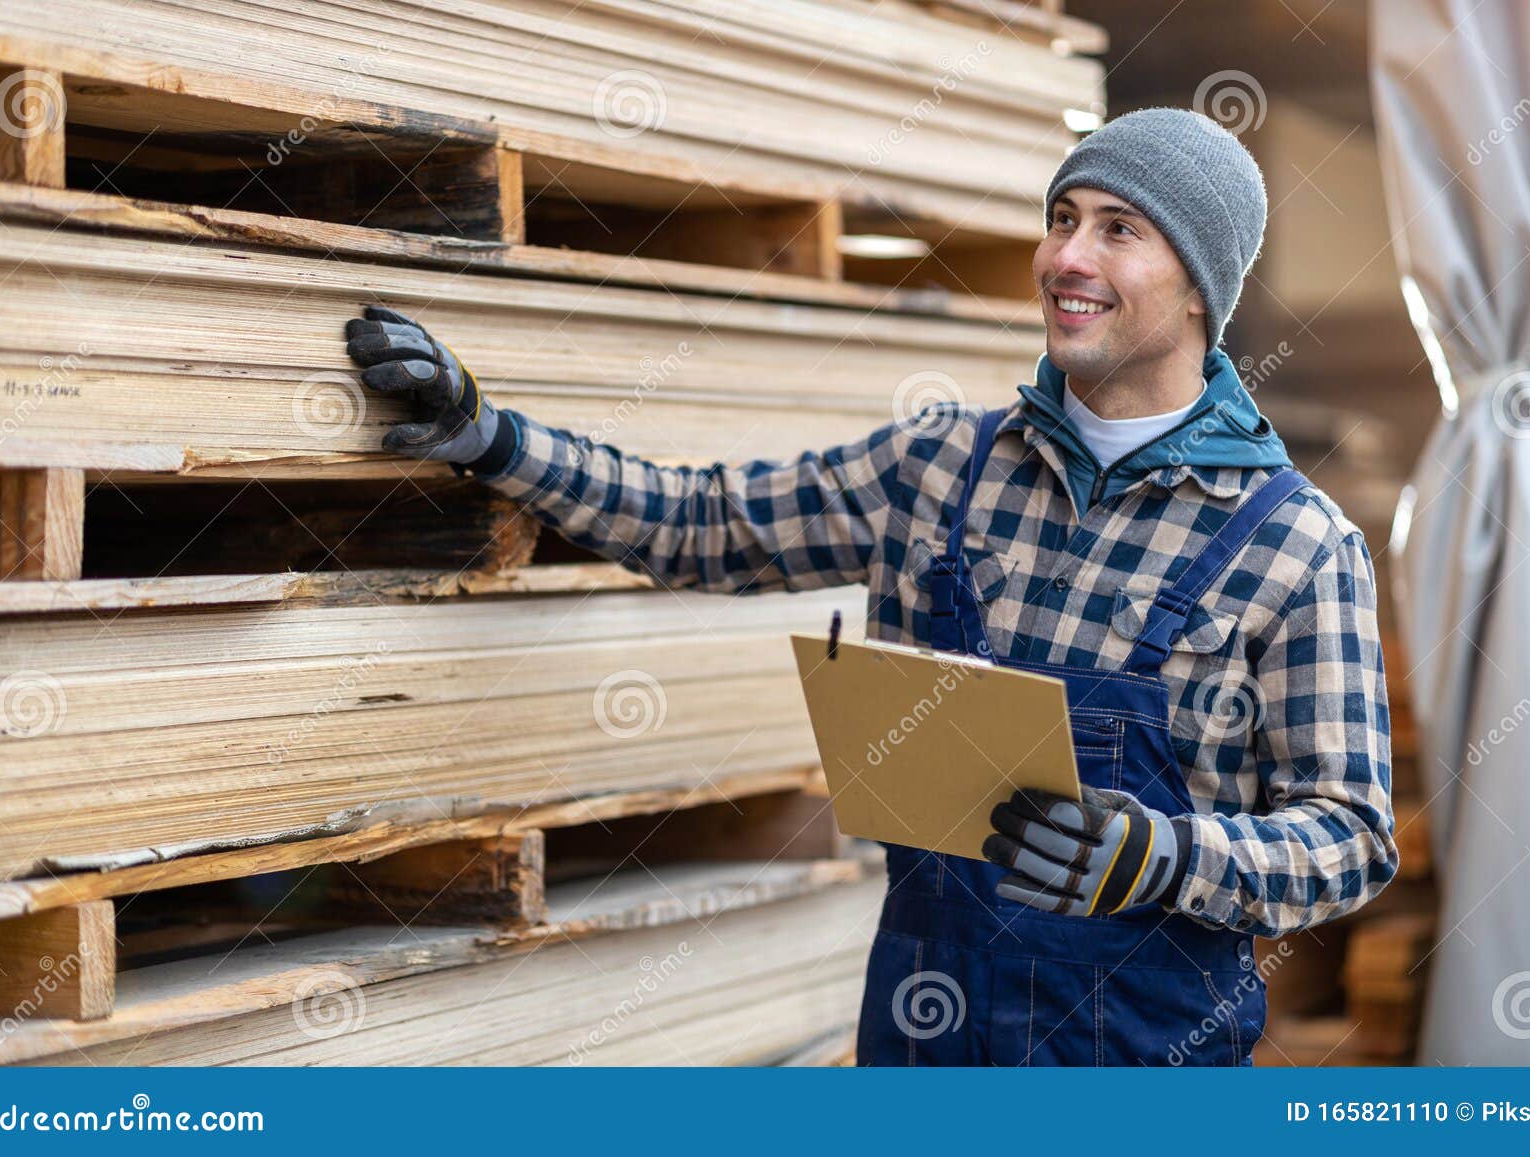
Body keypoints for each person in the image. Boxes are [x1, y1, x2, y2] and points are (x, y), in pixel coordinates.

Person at [343, 107, 1398, 1067]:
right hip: (922, 1032)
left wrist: (1164, 853)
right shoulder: (940, 468)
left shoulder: (1295, 546)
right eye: (1062, 217)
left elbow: (1350, 838)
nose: (1066, 257)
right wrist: (495, 438)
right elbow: (706, 522)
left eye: (1119, 229)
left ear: (1200, 281)